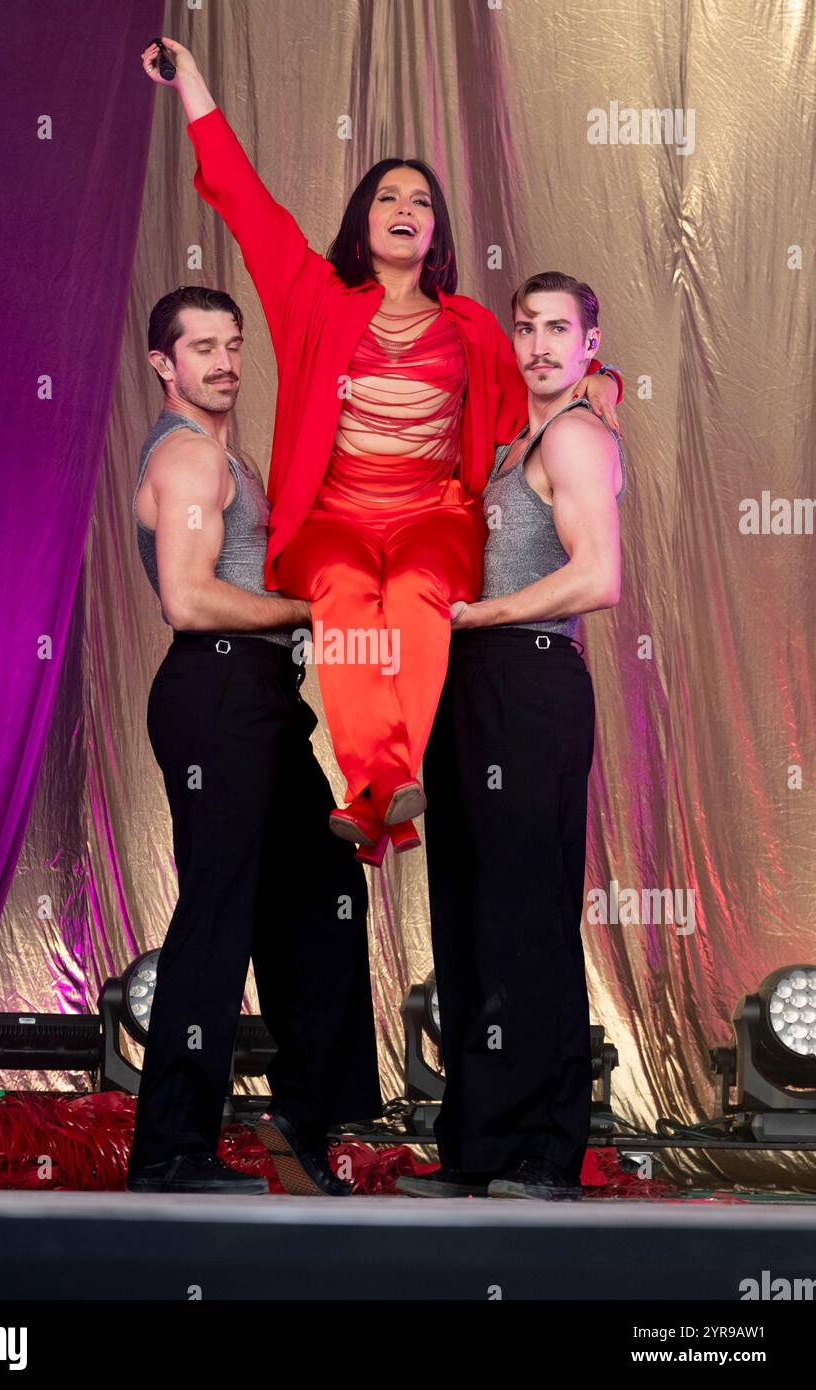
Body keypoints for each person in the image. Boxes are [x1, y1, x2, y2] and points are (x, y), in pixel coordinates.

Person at [140, 38, 622, 866]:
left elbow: (547, 379)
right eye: (388, 196)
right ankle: (385, 782)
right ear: (364, 222)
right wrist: (192, 87)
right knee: (337, 592)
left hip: (432, 511)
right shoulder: (313, 300)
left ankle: (376, 800)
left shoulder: (472, 324)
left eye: (422, 200)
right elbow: (246, 202)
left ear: (434, 232)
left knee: (418, 591)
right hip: (336, 515)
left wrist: (604, 380)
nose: (406, 205)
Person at [126, 284, 382, 1197]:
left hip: (264, 699)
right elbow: (189, 601)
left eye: (234, 346)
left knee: (321, 895)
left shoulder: (234, 463)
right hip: (217, 691)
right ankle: (170, 1151)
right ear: (164, 364)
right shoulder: (192, 461)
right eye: (203, 349)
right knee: (219, 913)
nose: (225, 363)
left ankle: (300, 1120)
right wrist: (318, 610)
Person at [397, 272, 626, 1201]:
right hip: (477, 680)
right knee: (471, 920)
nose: (535, 344)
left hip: (530, 674)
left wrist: (483, 614)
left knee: (527, 921)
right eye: (525, 327)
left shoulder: (573, 433)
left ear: (588, 342)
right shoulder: (510, 446)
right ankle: (478, 1148)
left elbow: (600, 576)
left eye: (556, 329)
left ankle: (546, 1149)